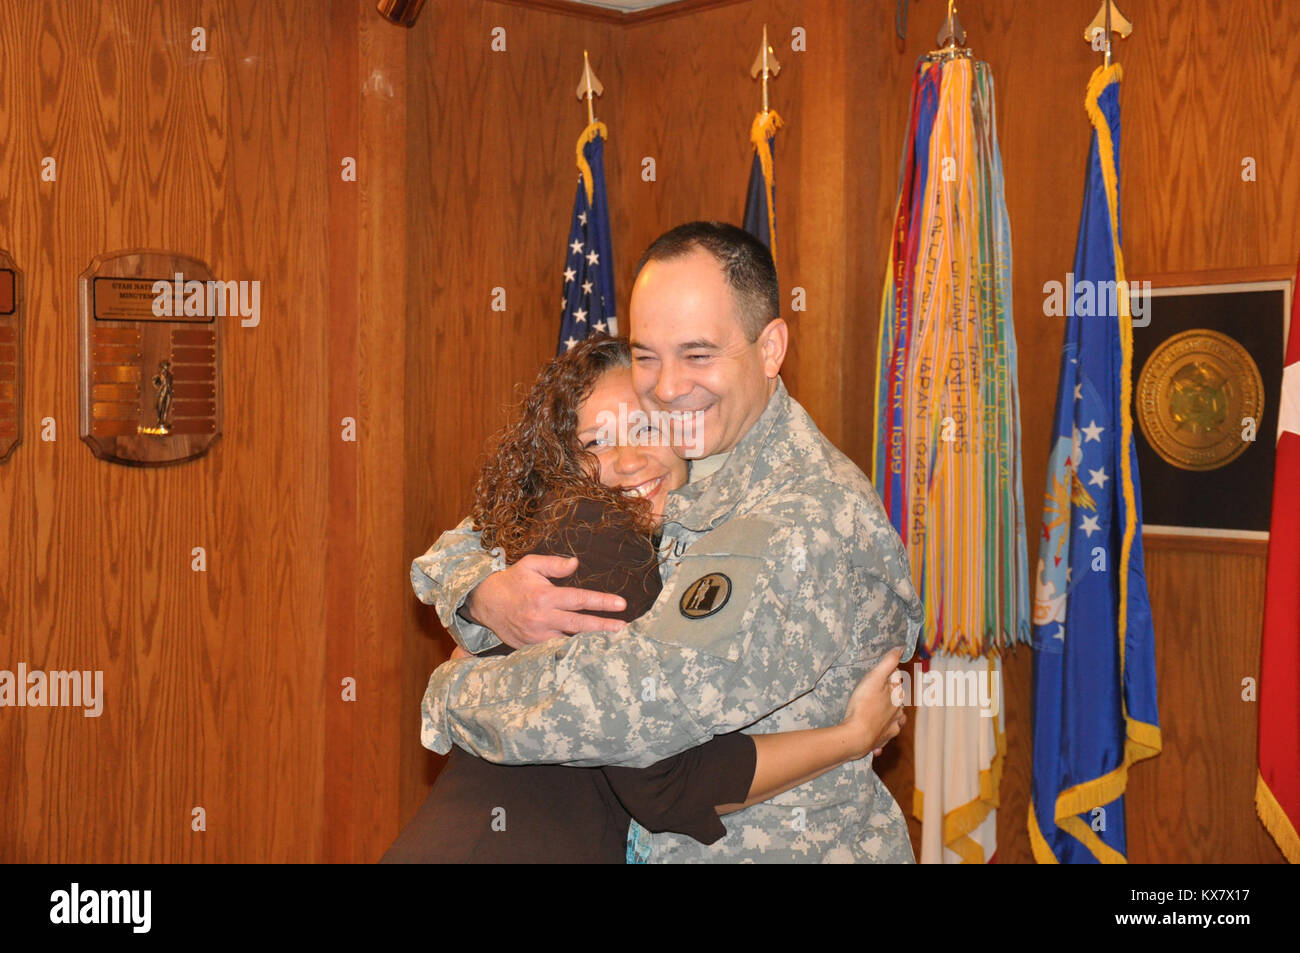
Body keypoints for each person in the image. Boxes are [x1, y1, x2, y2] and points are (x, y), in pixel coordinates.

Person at [416, 222, 923, 863]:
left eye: (698, 354)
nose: (668, 385)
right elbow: (484, 529)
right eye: (647, 354)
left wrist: (449, 694)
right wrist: (485, 597)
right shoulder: (690, 454)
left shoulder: (799, 519)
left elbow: (632, 710)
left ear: (771, 348)